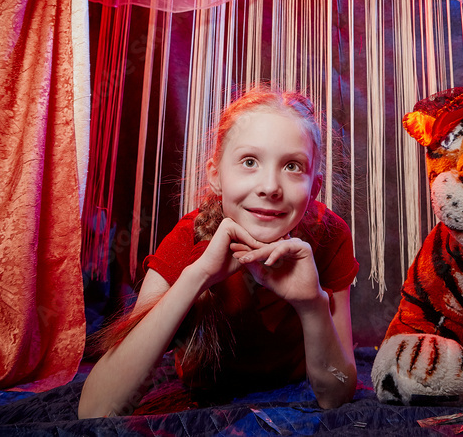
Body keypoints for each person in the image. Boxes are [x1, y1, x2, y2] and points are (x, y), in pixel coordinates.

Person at [79, 88, 358, 418]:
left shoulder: (330, 235)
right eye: (249, 162)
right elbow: (96, 409)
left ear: (314, 187)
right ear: (216, 177)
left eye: (293, 166)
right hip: (208, 392)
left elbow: (336, 393)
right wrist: (198, 275)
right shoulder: (188, 238)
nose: (270, 186)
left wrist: (312, 305)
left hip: (293, 388)